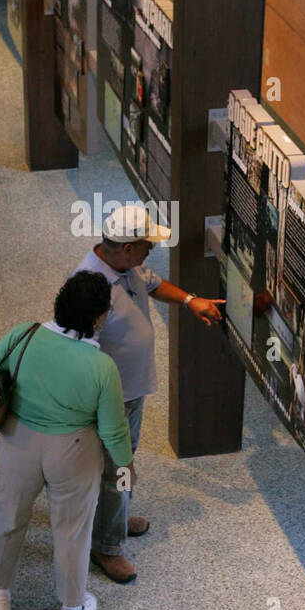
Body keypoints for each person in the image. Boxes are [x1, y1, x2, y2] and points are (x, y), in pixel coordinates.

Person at [0, 272, 134, 610]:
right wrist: (126, 465)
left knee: (8, 514)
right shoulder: (101, 367)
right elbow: (113, 429)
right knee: (72, 530)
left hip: (18, 440)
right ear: (97, 319)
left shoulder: (24, 335)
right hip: (74, 452)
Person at [72, 204, 224, 584]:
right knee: (115, 470)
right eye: (146, 244)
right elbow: (73, 351)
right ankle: (107, 547)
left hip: (131, 392)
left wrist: (190, 301)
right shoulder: (89, 287)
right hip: (109, 401)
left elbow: (153, 283)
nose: (151, 249)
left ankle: (115, 518)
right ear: (125, 248)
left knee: (122, 465)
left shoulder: (126, 267)